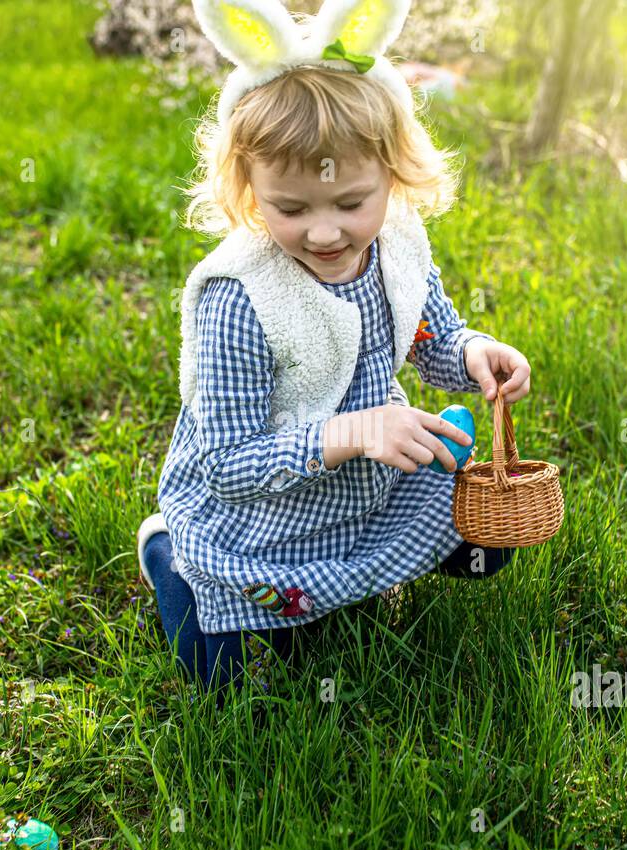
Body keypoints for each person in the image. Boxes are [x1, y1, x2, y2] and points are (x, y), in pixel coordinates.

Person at [137, 0, 532, 697]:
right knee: (221, 684)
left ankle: (360, 557)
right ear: (249, 187)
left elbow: (430, 336)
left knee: (484, 541)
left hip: (364, 485)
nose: (324, 233)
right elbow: (228, 463)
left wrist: (472, 353)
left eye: (350, 203)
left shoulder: (398, 246)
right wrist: (352, 431)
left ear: (393, 174)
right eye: (291, 209)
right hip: (256, 515)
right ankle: (171, 558)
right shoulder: (241, 300)